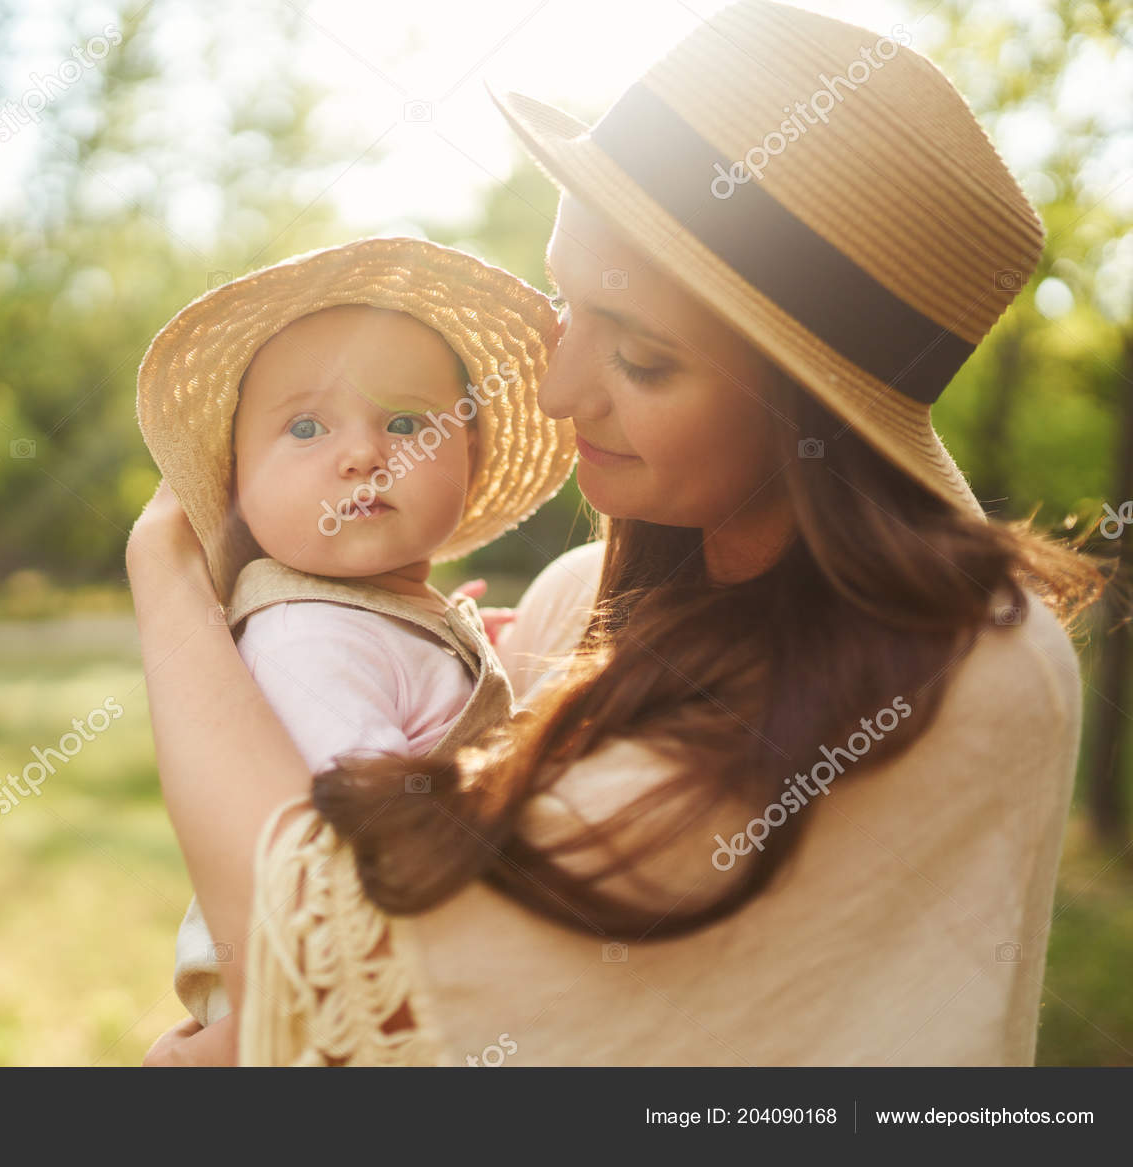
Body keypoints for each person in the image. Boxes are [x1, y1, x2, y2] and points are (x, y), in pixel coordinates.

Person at [129, 0, 1108, 1066]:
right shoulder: (569, 608)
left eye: (642, 359)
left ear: (810, 415)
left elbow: (332, 967)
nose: (552, 391)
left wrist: (174, 586)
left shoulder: (956, 668)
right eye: (564, 301)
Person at [133, 237, 576, 1062]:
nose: (364, 453)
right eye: (306, 426)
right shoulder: (307, 638)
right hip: (312, 1016)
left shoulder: (385, 622)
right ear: (236, 484)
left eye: (407, 422)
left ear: (470, 456)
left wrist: (478, 682)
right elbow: (355, 851)